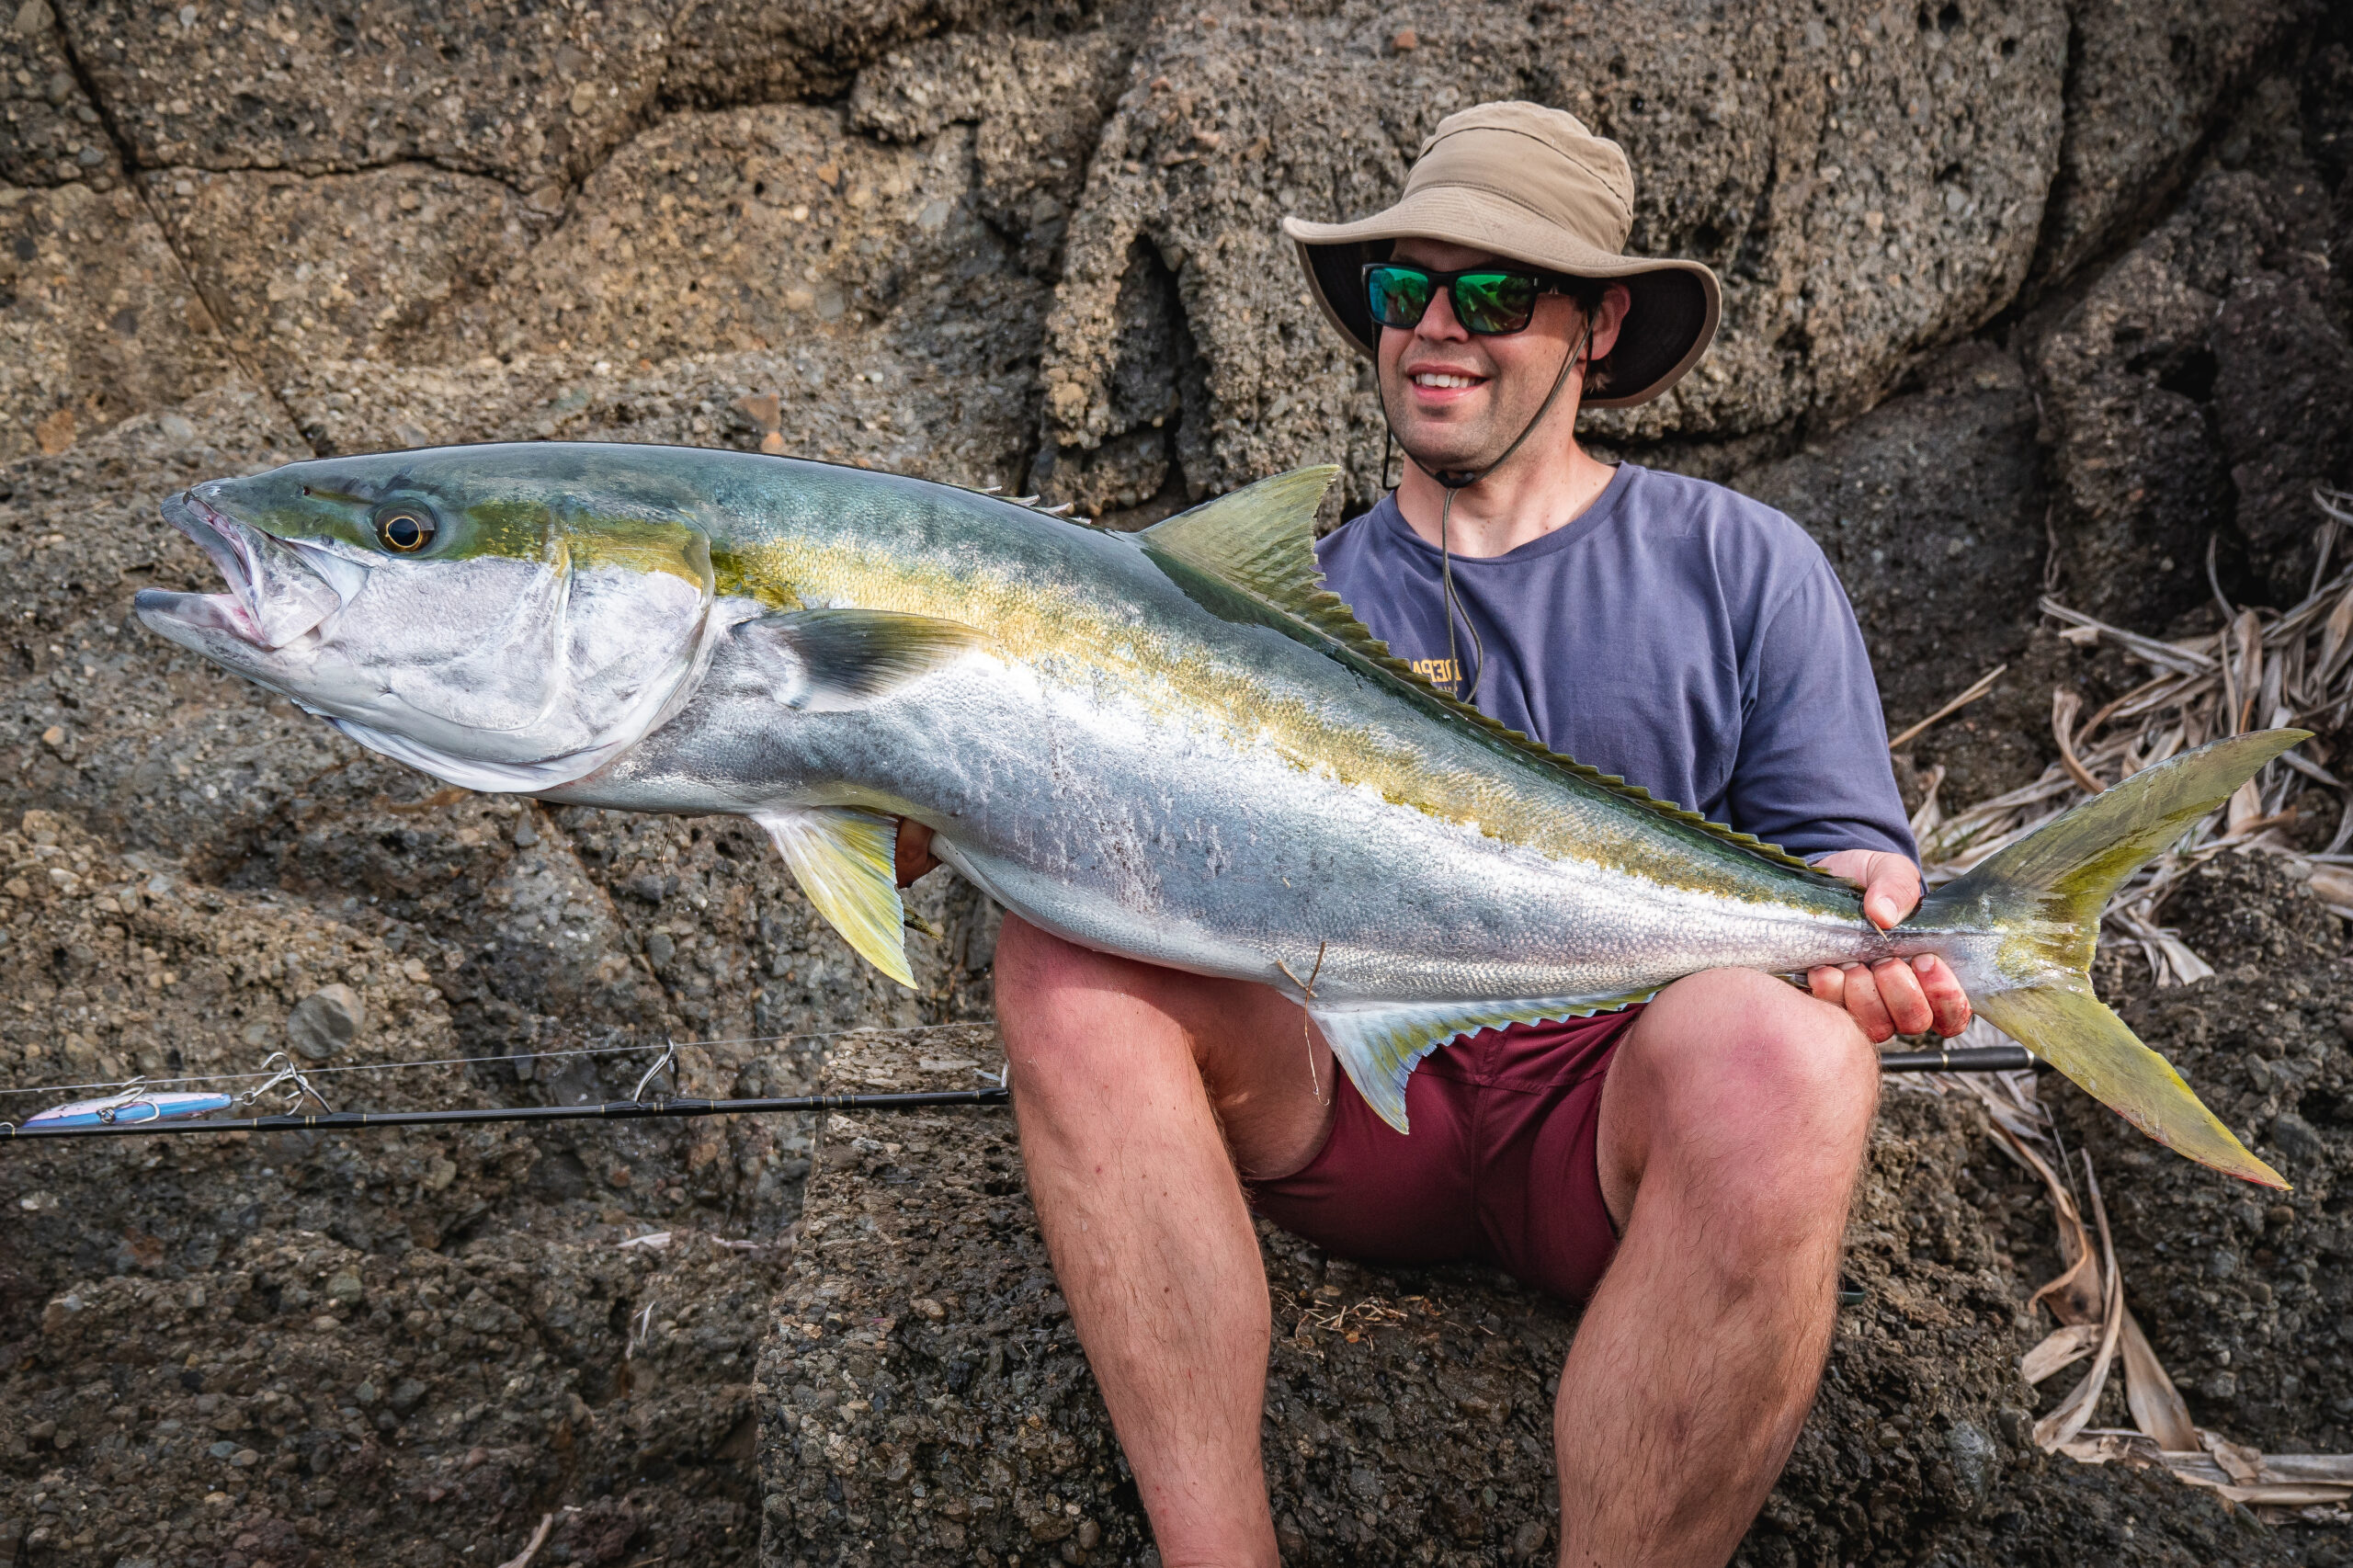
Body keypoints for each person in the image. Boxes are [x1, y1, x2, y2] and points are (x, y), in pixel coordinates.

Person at [894, 101, 1973, 1568]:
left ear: (1596, 328)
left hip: (1602, 1108)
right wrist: (908, 774)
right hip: (1342, 1083)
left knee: (1796, 1057)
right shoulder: (1270, 608)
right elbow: (1047, 809)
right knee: (1062, 967)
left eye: (1494, 294)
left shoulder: (1741, 565)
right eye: (1407, 292)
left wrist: (1870, 922)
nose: (1437, 329)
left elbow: (1839, 853)